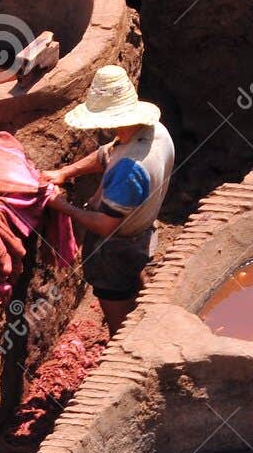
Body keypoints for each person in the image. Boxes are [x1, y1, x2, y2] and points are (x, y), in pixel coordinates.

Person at [43, 65, 175, 333]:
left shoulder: (130, 170)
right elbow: (107, 154)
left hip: (115, 248)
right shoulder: (154, 132)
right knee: (132, 284)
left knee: (117, 314)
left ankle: (125, 352)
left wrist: (63, 206)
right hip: (140, 235)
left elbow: (106, 225)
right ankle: (145, 325)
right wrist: (65, 172)